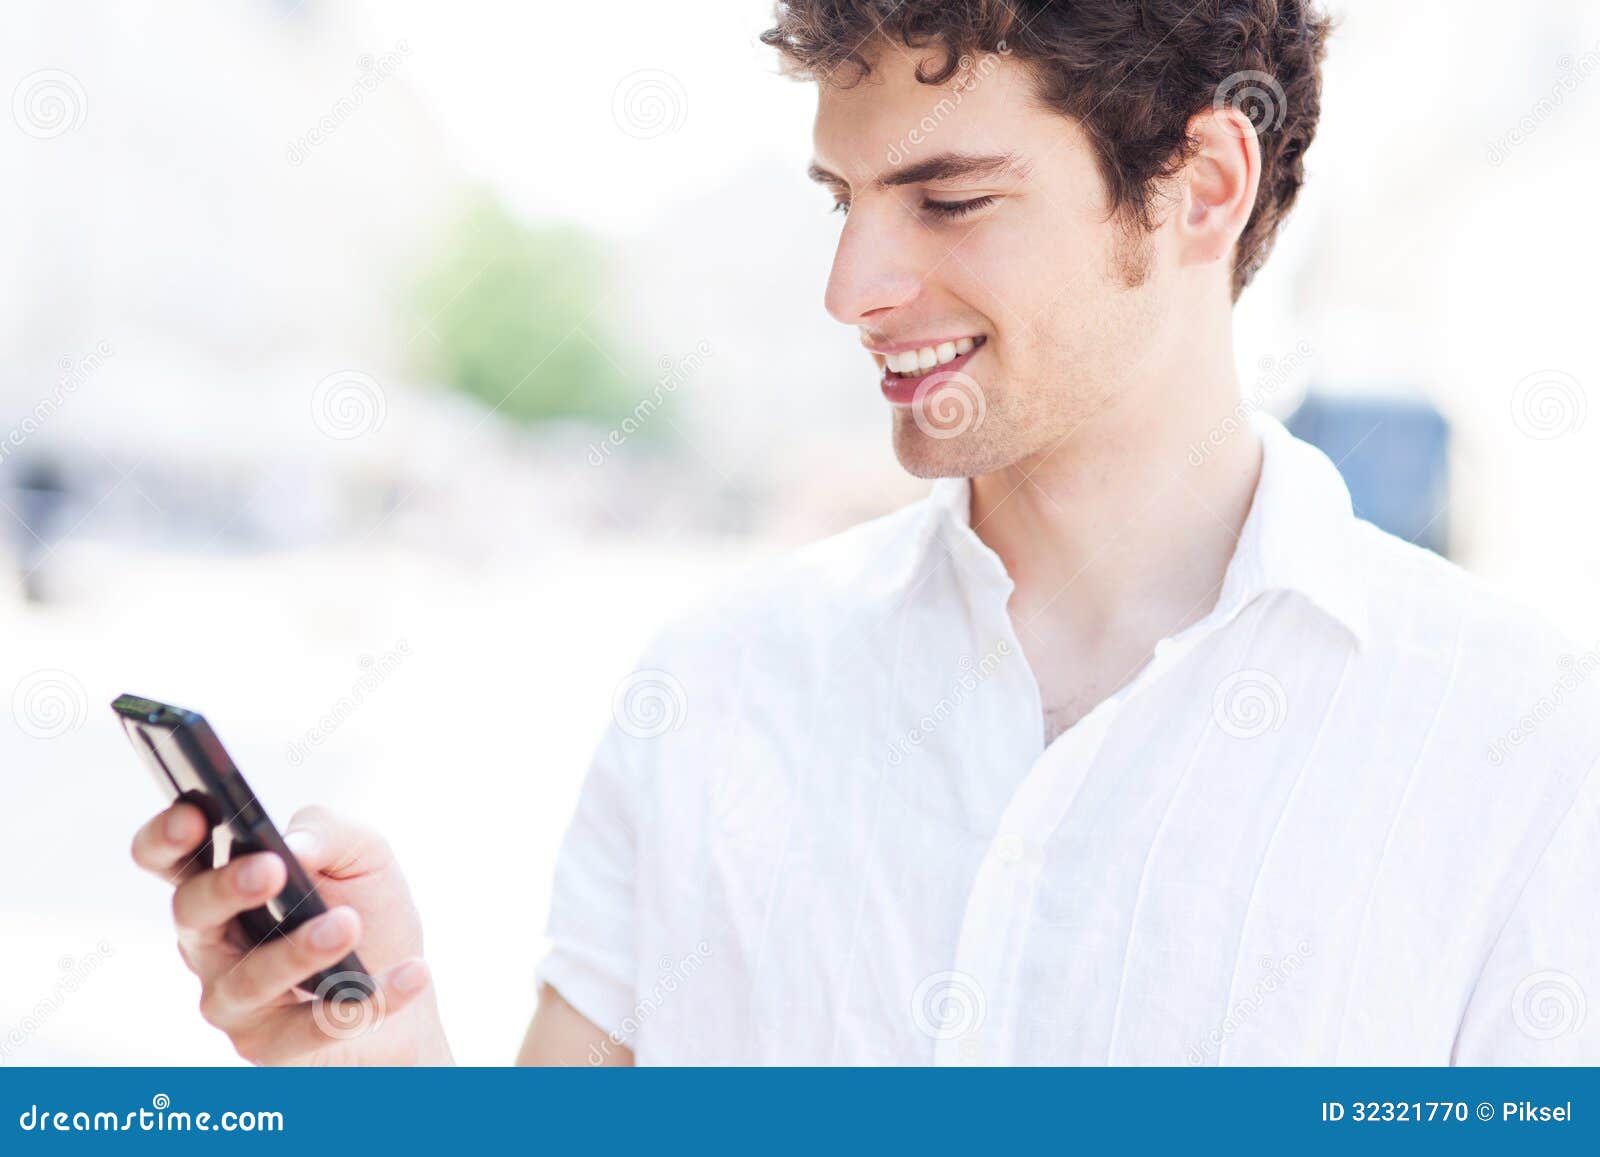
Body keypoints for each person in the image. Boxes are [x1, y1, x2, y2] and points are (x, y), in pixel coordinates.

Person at [130, 0, 1600, 1065]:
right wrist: (376, 1059)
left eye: (948, 197)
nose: (852, 285)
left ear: (1202, 186)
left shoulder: (1513, 739)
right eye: (842, 198)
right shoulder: (715, 687)